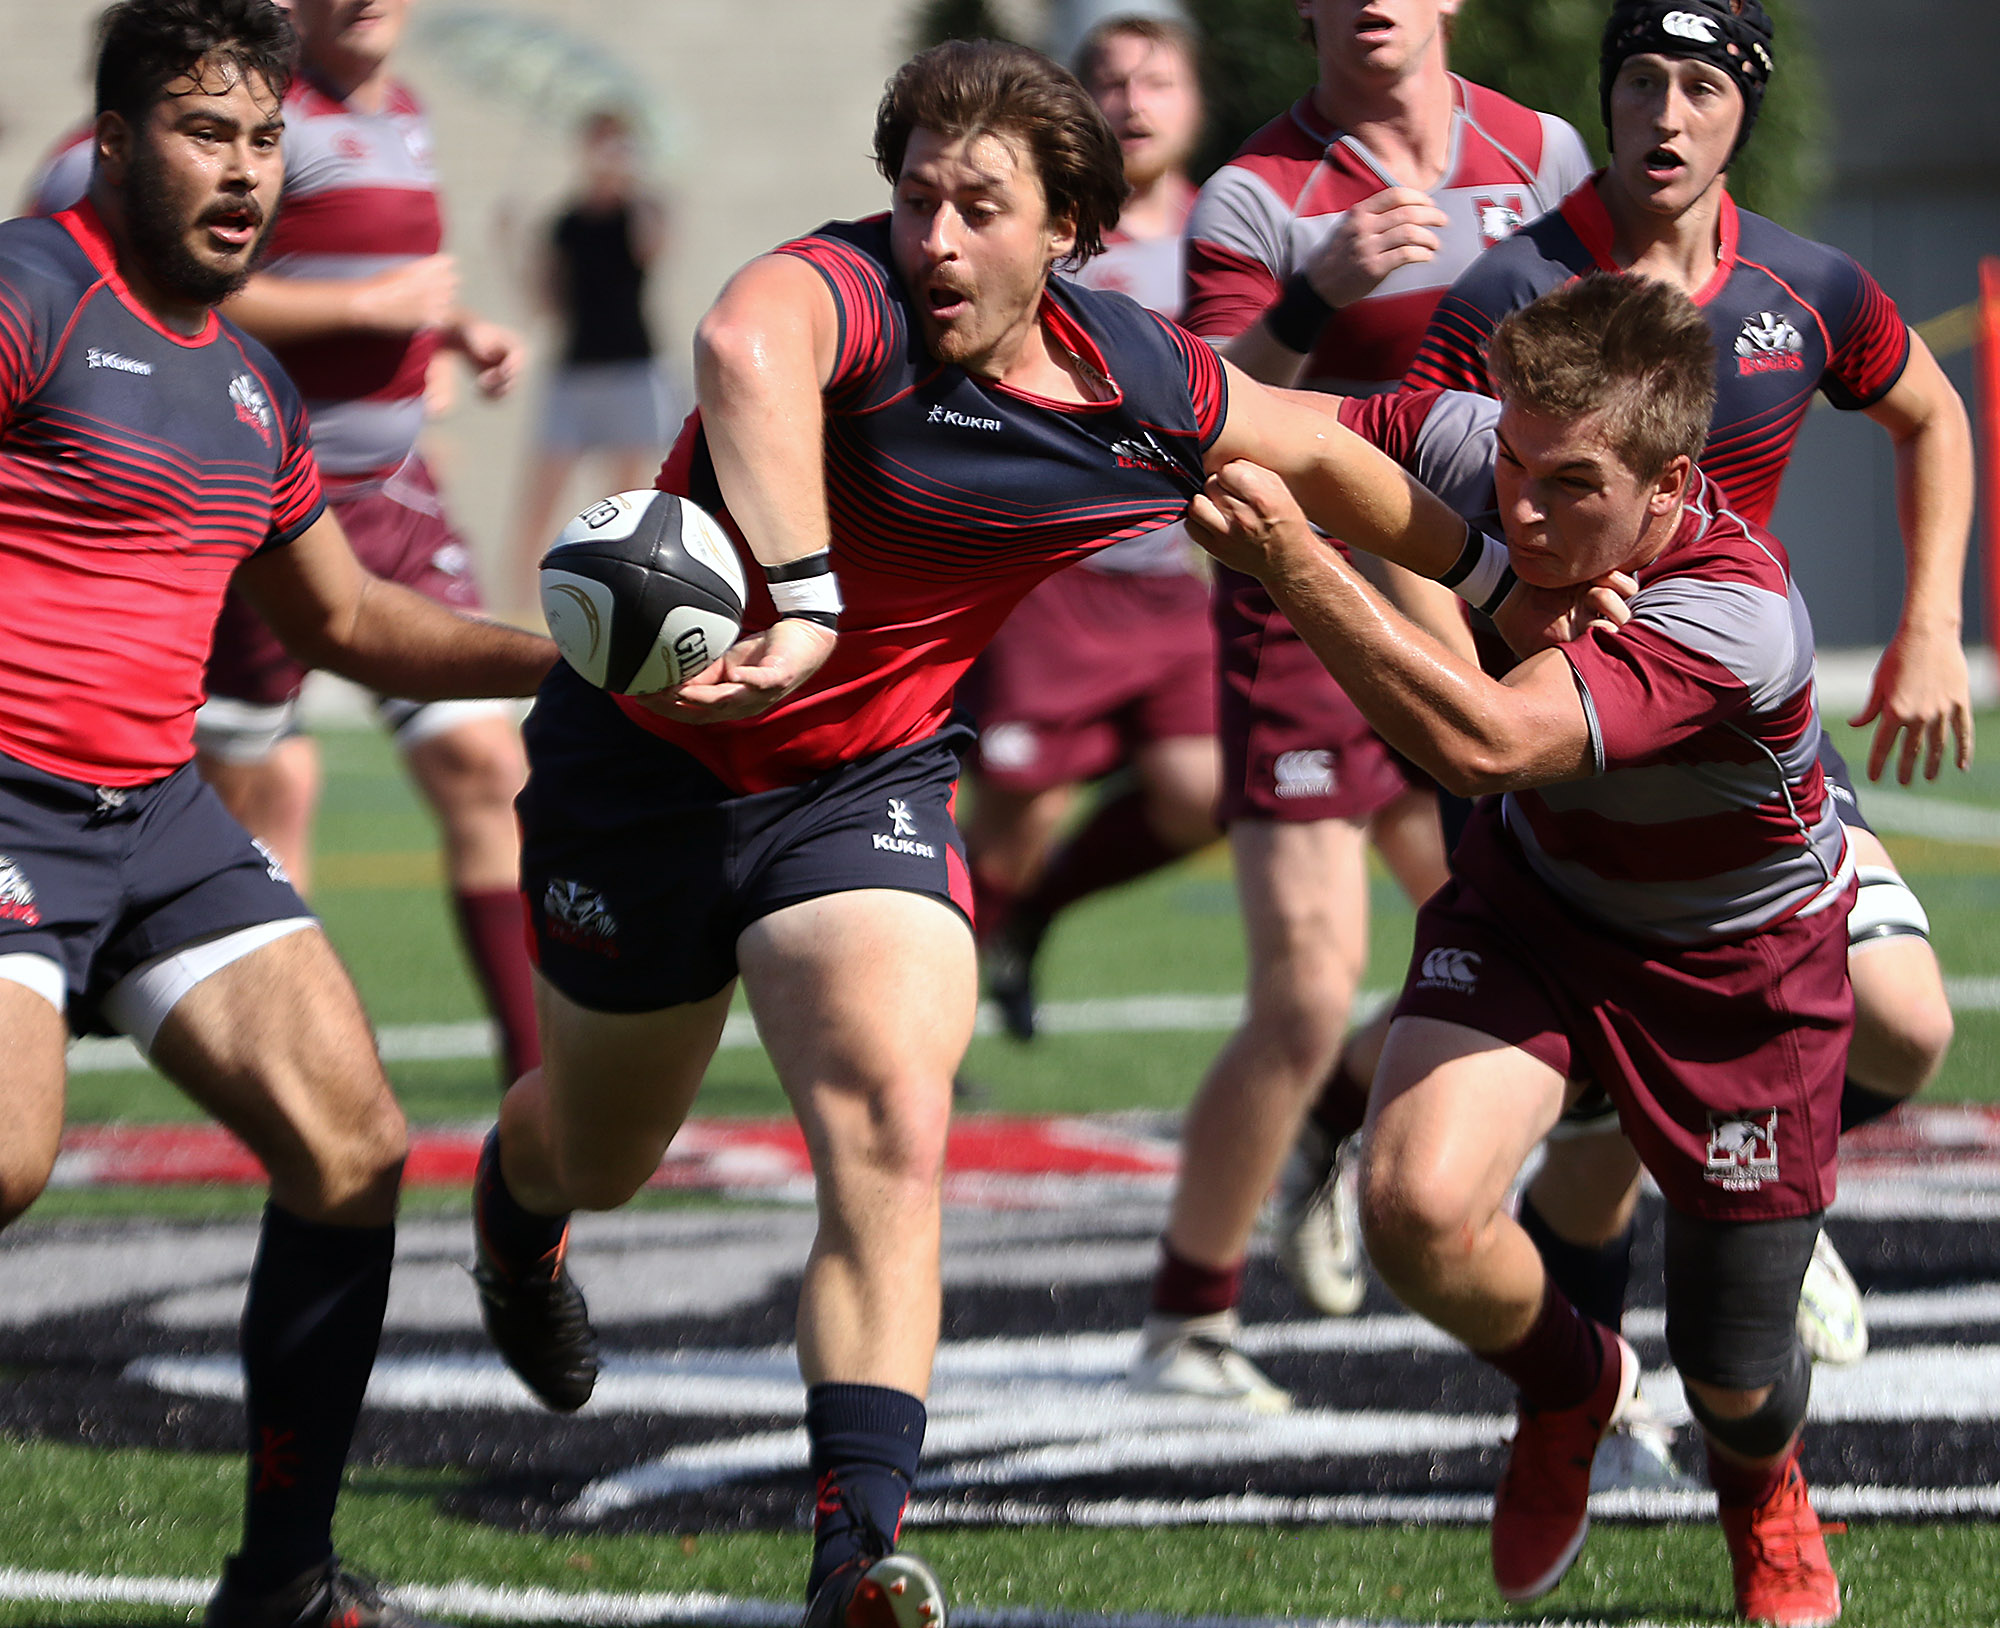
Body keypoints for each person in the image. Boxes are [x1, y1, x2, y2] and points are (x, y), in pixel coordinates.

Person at [462, 38, 1609, 1628]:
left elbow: (1335, 454)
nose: (934, 235)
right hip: (641, 780)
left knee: (887, 1121)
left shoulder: (1137, 381)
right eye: (916, 195)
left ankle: (855, 1552)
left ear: (1068, 225)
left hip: (854, 789)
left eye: (978, 207)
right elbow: (740, 343)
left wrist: (1504, 585)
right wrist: (802, 598)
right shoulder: (846, 295)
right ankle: (519, 1229)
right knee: (603, 1148)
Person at [1282, 0, 1974, 1388]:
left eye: (1702, 86)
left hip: (1721, 709)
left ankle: (1762, 1184)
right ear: (1607, 101)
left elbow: (1931, 413)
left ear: (1743, 111)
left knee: (1910, 1023)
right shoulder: (1512, 289)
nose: (1667, 113)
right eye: (1642, 81)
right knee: (1535, 1046)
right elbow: (1399, 484)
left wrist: (1932, 621)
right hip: (1541, 723)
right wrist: (1469, 632)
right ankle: (1559, 1361)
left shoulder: (1808, 288)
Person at [0, 5, 554, 1626]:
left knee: (351, 1145)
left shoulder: (248, 385)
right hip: (6, 805)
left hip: (152, 814)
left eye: (260, 140)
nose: (244, 173)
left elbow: (352, 623)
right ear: (111, 143)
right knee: (9, 1159)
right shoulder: (34, 291)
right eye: (201, 133)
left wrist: (575, 668)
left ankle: (281, 1579)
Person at [1191, 272, 1848, 1627]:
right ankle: (1573, 1386)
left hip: (1736, 974)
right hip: (1539, 913)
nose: (1525, 505)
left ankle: (1761, 1488)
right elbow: (1291, 428)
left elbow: (1480, 742)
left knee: (1734, 1365)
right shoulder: (1504, 446)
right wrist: (1078, 363)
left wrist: (1297, 562)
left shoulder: (1732, 610)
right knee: (1413, 1210)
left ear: (1670, 486)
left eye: (1571, 486)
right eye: (1509, 464)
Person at [1130, 0, 1592, 1410]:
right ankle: (1187, 1320)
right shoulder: (1261, 192)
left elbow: (1604, 369)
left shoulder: (1546, 152)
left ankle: (1353, 1127)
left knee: (1575, 935)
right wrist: (1314, 295)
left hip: (1495, 584)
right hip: (1311, 598)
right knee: (1304, 993)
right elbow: (1196, 411)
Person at [193, 0, 542, 1089]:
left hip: (400, 498)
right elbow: (198, 292)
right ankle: (288, 1081)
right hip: (269, 508)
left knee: (487, 764)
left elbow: (387, 275)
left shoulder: (410, 115)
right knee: (262, 799)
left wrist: (453, 327)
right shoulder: (259, 116)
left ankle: (541, 1081)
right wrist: (373, 307)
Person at [960, 13, 1218, 1041]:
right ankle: (927, 1029)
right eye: (1107, 81)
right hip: (1051, 587)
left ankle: (1034, 916)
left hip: (1169, 585)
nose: (1132, 101)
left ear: (1194, 99)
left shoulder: (1232, 232)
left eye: (1155, 80)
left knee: (1203, 791)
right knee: (1009, 828)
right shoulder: (1045, 233)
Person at [505, 107, 684, 616]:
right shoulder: (565, 223)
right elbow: (546, 303)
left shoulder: (640, 212)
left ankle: (621, 608)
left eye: (617, 144)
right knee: (539, 501)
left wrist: (632, 180)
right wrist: (511, 243)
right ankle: (516, 611)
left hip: (633, 370)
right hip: (575, 372)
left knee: (626, 501)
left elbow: (654, 249)